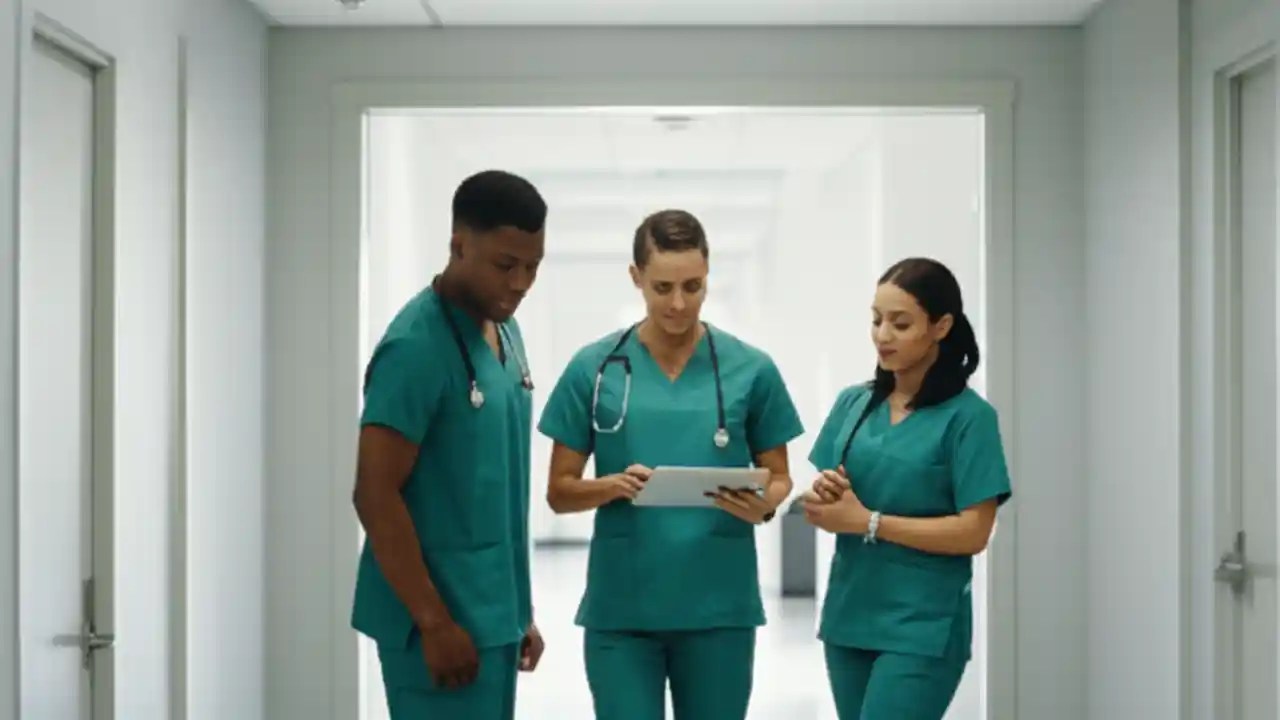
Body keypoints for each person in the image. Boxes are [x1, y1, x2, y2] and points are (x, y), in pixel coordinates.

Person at [537, 209, 805, 720]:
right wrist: (612, 486)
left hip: (719, 609)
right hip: (623, 611)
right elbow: (559, 491)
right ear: (636, 277)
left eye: (693, 286)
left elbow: (780, 475)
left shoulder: (752, 369)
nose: (679, 303)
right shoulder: (593, 369)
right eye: (662, 287)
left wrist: (764, 506)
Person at [350, 169, 548, 719]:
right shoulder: (415, 348)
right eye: (506, 265)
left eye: (533, 266)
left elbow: (493, 483)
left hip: (491, 619)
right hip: (436, 623)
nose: (520, 283)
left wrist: (516, 613)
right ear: (458, 245)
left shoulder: (506, 331)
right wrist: (433, 621)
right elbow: (374, 492)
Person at [801, 257, 1013, 720]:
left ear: (941, 326)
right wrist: (824, 498)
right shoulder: (853, 403)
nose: (882, 335)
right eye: (876, 320)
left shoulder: (970, 419)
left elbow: (974, 533)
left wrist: (869, 522)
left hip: (922, 625)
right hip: (849, 617)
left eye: (900, 323)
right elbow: (824, 501)